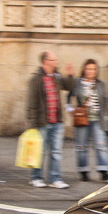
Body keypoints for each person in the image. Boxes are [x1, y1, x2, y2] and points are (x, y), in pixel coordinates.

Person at [26, 51, 74, 188]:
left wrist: (70, 75)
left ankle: (55, 178)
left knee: (56, 152)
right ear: (45, 61)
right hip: (42, 121)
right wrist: (32, 122)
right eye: (53, 60)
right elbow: (31, 102)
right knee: (39, 151)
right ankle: (36, 177)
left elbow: (69, 86)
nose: (56, 62)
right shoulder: (36, 79)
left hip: (57, 121)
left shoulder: (57, 77)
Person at [71, 58, 108, 182]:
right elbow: (70, 97)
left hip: (97, 119)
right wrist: (71, 109)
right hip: (82, 119)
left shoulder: (101, 84)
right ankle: (83, 171)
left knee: (101, 145)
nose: (91, 71)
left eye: (94, 69)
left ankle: (103, 170)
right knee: (81, 146)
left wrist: (104, 114)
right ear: (84, 70)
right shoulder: (77, 83)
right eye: (89, 69)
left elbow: (105, 100)